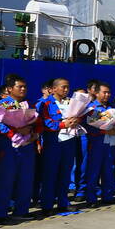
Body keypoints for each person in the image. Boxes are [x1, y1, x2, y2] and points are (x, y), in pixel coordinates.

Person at [0, 74, 37, 223]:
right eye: (19, 86)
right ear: (10, 89)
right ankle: (1, 213)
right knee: (5, 180)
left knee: (26, 179)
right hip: (8, 146)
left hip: (27, 146)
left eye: (25, 87)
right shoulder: (1, 104)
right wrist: (15, 131)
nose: (23, 89)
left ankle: (21, 211)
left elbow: (36, 121)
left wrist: (33, 132)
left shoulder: (28, 104)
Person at [37, 77, 80, 215]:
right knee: (50, 174)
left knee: (65, 174)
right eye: (63, 87)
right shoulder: (44, 103)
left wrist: (77, 120)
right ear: (53, 89)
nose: (66, 90)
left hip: (69, 141)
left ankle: (63, 202)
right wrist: (62, 124)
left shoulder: (71, 103)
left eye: (68, 87)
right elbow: (44, 123)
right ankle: (47, 205)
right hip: (53, 142)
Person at [83, 81, 115, 205]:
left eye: (109, 92)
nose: (107, 95)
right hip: (96, 143)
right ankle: (91, 198)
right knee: (94, 170)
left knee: (109, 169)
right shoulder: (91, 107)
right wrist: (104, 132)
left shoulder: (112, 107)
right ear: (97, 93)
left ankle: (108, 195)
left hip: (110, 143)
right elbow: (88, 126)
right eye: (104, 92)